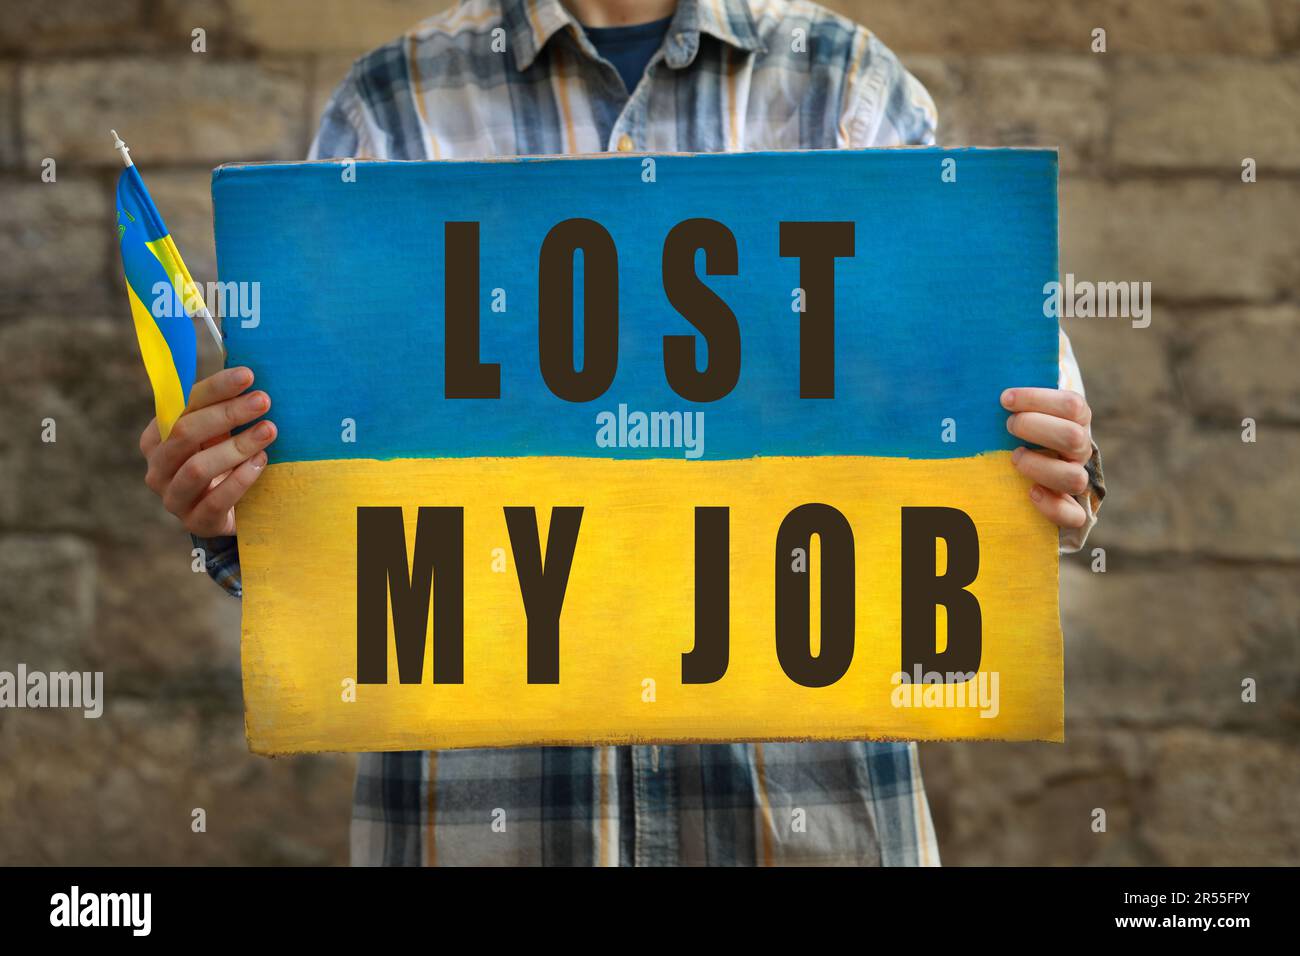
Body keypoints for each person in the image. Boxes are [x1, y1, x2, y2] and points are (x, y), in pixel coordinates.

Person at [139, 0, 1105, 865]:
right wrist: (235, 509)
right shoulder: (396, 106)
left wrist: (1054, 473)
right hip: (481, 821)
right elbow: (326, 513)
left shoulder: (846, 85)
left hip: (811, 810)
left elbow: (1010, 425)